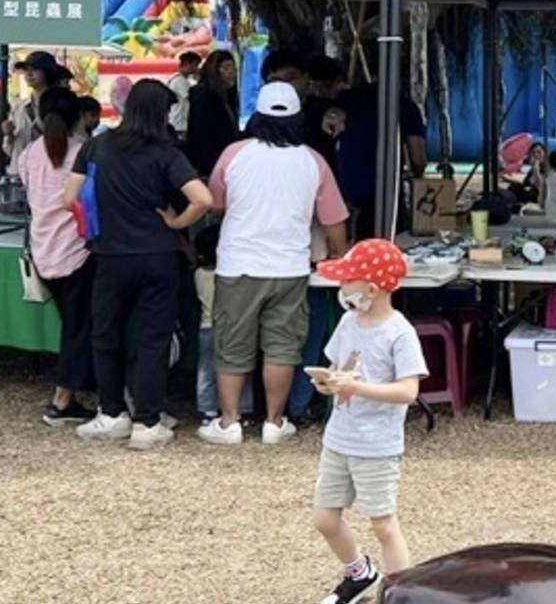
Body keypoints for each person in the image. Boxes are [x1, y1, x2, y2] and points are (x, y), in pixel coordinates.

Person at [198, 81, 351, 446]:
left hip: (238, 264)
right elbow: (334, 222)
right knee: (283, 346)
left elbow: (215, 204)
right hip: (290, 268)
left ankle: (230, 422)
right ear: (298, 119)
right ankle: (274, 422)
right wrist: (340, 254)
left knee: (232, 344)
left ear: (257, 118)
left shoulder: (234, 154)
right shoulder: (313, 160)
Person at [65, 81, 214, 450]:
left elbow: (70, 198)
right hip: (158, 255)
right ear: (162, 114)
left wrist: (99, 225)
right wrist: (176, 223)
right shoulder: (167, 153)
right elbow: (203, 199)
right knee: (153, 338)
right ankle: (148, 421)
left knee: (106, 334)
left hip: (110, 256)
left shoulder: (96, 146)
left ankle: (111, 412)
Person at [308, 239, 428, 604]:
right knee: (325, 518)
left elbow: (409, 391)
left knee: (384, 525)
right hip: (339, 437)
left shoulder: (399, 332)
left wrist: (354, 386)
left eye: (347, 281)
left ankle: (405, 602)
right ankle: (360, 573)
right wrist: (328, 382)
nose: (341, 288)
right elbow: (339, 365)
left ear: (371, 290)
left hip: (376, 444)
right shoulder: (348, 322)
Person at [16, 86, 98, 426]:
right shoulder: (83, 152)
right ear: (77, 117)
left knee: (73, 324)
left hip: (44, 249)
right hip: (77, 250)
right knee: (79, 327)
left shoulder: (30, 154)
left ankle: (77, 387)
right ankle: (62, 400)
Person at [333, 71, 429, 239]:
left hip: (345, 188)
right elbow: (418, 158)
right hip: (386, 189)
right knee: (390, 242)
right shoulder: (404, 105)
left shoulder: (346, 100)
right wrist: (418, 176)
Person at [192, 222, 255, 425]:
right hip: (236, 326)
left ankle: (207, 409)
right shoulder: (236, 275)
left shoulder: (199, 274)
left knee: (206, 370)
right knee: (241, 368)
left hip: (208, 325)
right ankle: (242, 410)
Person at [183, 48, 241, 176]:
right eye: (226, 68)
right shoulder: (204, 96)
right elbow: (200, 135)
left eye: (233, 68)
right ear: (214, 70)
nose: (232, 73)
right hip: (210, 165)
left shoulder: (228, 96)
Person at [7, 53, 71, 162]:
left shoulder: (61, 104)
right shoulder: (19, 107)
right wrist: (9, 134)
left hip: (47, 170)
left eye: (35, 69)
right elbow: (9, 150)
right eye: (26, 70)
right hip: (19, 171)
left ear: (47, 72)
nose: (29, 74)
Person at [167, 51, 201, 136]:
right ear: (187, 64)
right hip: (180, 123)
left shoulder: (181, 80)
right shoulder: (179, 81)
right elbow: (192, 96)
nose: (196, 68)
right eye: (195, 65)